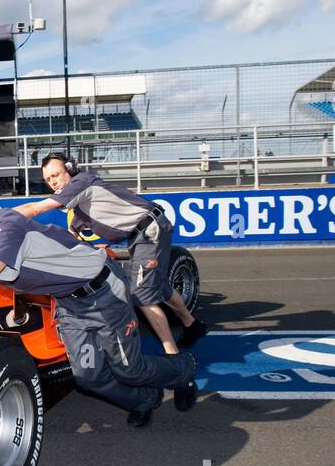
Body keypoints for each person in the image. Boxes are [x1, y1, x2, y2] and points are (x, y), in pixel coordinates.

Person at [0, 189, 197, 428]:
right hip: (70, 302)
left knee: (129, 369)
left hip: (103, 292)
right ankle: (145, 400)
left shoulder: (2, 226)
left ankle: (184, 371)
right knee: (89, 377)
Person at [16, 153, 207, 356]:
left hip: (149, 230)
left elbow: (36, 208)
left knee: (140, 295)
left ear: (70, 169)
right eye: (48, 179)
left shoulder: (82, 182)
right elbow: (71, 238)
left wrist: (0, 217)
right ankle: (192, 325)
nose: (53, 182)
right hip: (141, 235)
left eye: (56, 175)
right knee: (158, 285)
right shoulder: (78, 209)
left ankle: (173, 356)